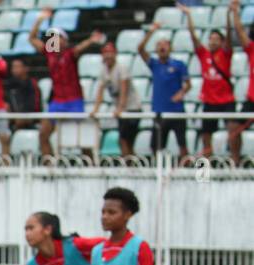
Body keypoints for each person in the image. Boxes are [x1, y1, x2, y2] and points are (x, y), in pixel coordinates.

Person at [29, 11, 105, 158]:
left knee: (81, 139)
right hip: (57, 101)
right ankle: (49, 167)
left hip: (74, 100)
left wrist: (91, 40)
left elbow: (80, 48)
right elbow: (32, 38)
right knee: (43, 134)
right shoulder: (49, 53)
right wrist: (39, 20)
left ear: (65, 41)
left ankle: (90, 165)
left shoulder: (70, 54)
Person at [182, 4, 235, 159]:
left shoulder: (225, 54)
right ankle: (206, 165)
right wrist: (188, 15)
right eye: (210, 39)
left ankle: (234, 162)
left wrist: (228, 16)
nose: (212, 42)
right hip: (209, 101)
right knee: (206, 134)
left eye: (216, 39)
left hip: (226, 100)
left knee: (233, 130)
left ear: (221, 42)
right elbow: (193, 37)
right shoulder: (203, 54)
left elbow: (230, 35)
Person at [138, 24, 190, 158]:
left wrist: (181, 93)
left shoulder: (179, 65)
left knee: (182, 143)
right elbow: (140, 49)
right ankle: (159, 171)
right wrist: (150, 32)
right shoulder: (154, 64)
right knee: (156, 145)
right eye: (159, 45)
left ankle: (185, 169)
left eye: (165, 44)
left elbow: (188, 84)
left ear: (170, 48)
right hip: (160, 111)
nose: (162, 47)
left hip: (177, 111)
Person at [91, 44, 142, 158]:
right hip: (122, 110)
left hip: (132, 108)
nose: (108, 56)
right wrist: (96, 109)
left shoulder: (121, 68)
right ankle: (131, 165)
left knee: (125, 140)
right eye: (105, 53)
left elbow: (124, 89)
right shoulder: (104, 70)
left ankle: (130, 165)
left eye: (110, 53)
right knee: (124, 141)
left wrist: (120, 108)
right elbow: (100, 90)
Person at [229, 0, 252, 161]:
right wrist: (235, 13)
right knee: (234, 127)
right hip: (252, 100)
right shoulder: (252, 49)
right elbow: (240, 31)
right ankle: (235, 163)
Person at [5, 59, 42, 132]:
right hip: (13, 121)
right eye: (13, 67)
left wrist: (23, 118)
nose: (14, 70)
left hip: (30, 120)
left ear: (26, 68)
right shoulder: (9, 84)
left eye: (17, 67)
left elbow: (36, 106)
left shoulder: (32, 84)